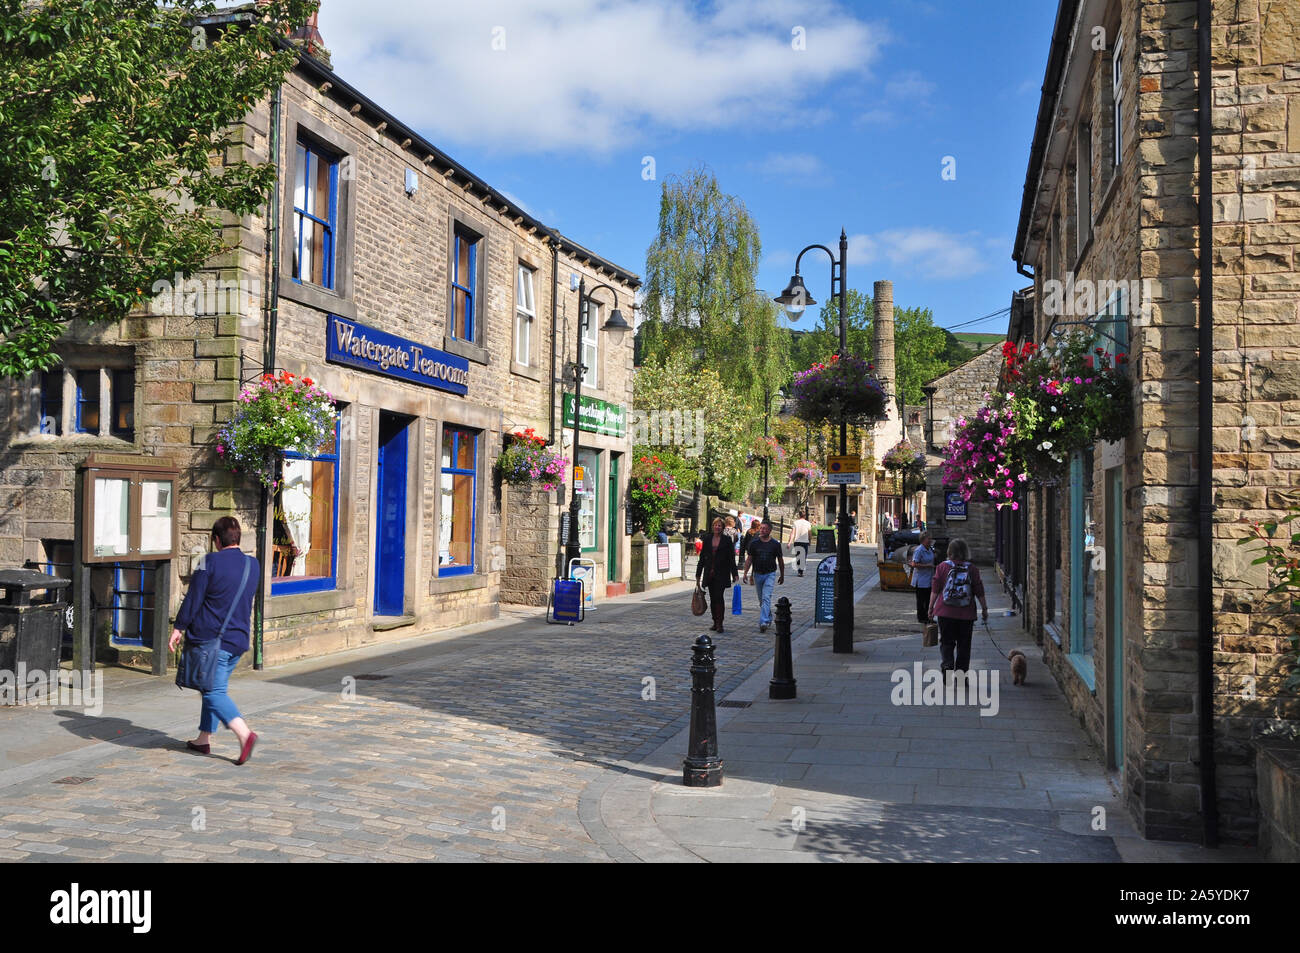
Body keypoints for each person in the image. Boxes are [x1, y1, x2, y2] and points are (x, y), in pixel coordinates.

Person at [169, 516, 260, 765]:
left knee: (212, 690)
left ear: (216, 540)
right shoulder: (254, 565)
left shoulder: (207, 562)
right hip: (239, 639)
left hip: (213, 640)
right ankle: (203, 738)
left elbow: (193, 599)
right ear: (237, 539)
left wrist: (178, 627)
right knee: (213, 686)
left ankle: (244, 734)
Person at [927, 536, 989, 677]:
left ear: (950, 551)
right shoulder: (972, 569)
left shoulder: (942, 567)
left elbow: (935, 589)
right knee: (964, 646)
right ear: (965, 552)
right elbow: (979, 590)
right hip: (966, 614)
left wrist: (931, 607)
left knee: (946, 642)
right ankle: (961, 678)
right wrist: (984, 609)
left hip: (945, 612)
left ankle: (947, 666)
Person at [696, 516, 739, 634]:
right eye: (715, 525)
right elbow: (702, 558)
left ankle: (720, 623)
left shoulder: (726, 540)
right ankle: (714, 621)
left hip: (722, 573)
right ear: (713, 526)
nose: (717, 527)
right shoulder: (708, 538)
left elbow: (731, 558)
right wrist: (698, 574)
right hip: (709, 573)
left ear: (723, 527)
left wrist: (735, 574)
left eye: (719, 525)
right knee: (712, 599)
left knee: (719, 597)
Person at [742, 520, 785, 633]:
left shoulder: (775, 544)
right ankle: (768, 616)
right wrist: (746, 573)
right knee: (762, 600)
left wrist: (782, 574)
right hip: (758, 574)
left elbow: (780, 560)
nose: (762, 530)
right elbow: (749, 559)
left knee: (766, 597)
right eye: (761, 528)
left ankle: (764, 621)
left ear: (770, 531)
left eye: (765, 528)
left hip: (770, 573)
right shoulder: (754, 543)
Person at [910, 532, 936, 628]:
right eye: (928, 539)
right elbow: (914, 564)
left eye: (931, 539)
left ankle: (929, 616)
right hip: (920, 579)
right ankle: (922, 617)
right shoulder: (919, 550)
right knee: (921, 600)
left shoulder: (930, 549)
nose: (930, 541)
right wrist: (927, 565)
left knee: (928, 599)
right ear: (923, 540)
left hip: (929, 578)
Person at [787, 509, 812, 577]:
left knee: (798, 556)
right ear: (805, 516)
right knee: (803, 557)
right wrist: (810, 541)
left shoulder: (795, 522)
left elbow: (792, 533)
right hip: (805, 542)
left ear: (799, 515)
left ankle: (799, 571)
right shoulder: (808, 523)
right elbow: (809, 533)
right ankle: (801, 571)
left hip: (797, 541)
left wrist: (789, 542)